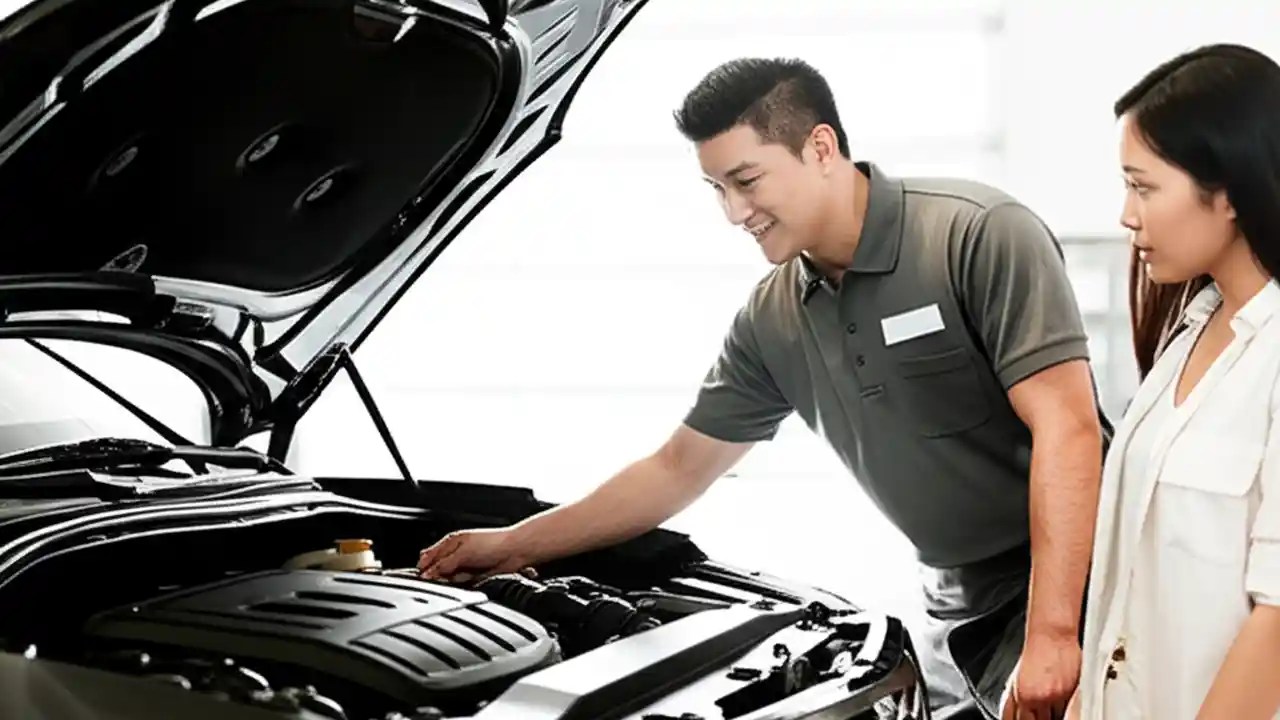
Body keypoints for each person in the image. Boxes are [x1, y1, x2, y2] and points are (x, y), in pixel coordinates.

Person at [418, 57, 1108, 720]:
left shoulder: (976, 232)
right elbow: (676, 469)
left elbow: (1068, 429)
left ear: (820, 147)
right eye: (716, 188)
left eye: (747, 180)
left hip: (1088, 581)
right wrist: (512, 546)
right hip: (954, 609)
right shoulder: (772, 318)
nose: (733, 211)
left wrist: (1052, 631)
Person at [1074, 43, 1280, 720]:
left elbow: (1277, 619)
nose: (1127, 216)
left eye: (1143, 186)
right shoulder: (1189, 329)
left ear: (1227, 193)